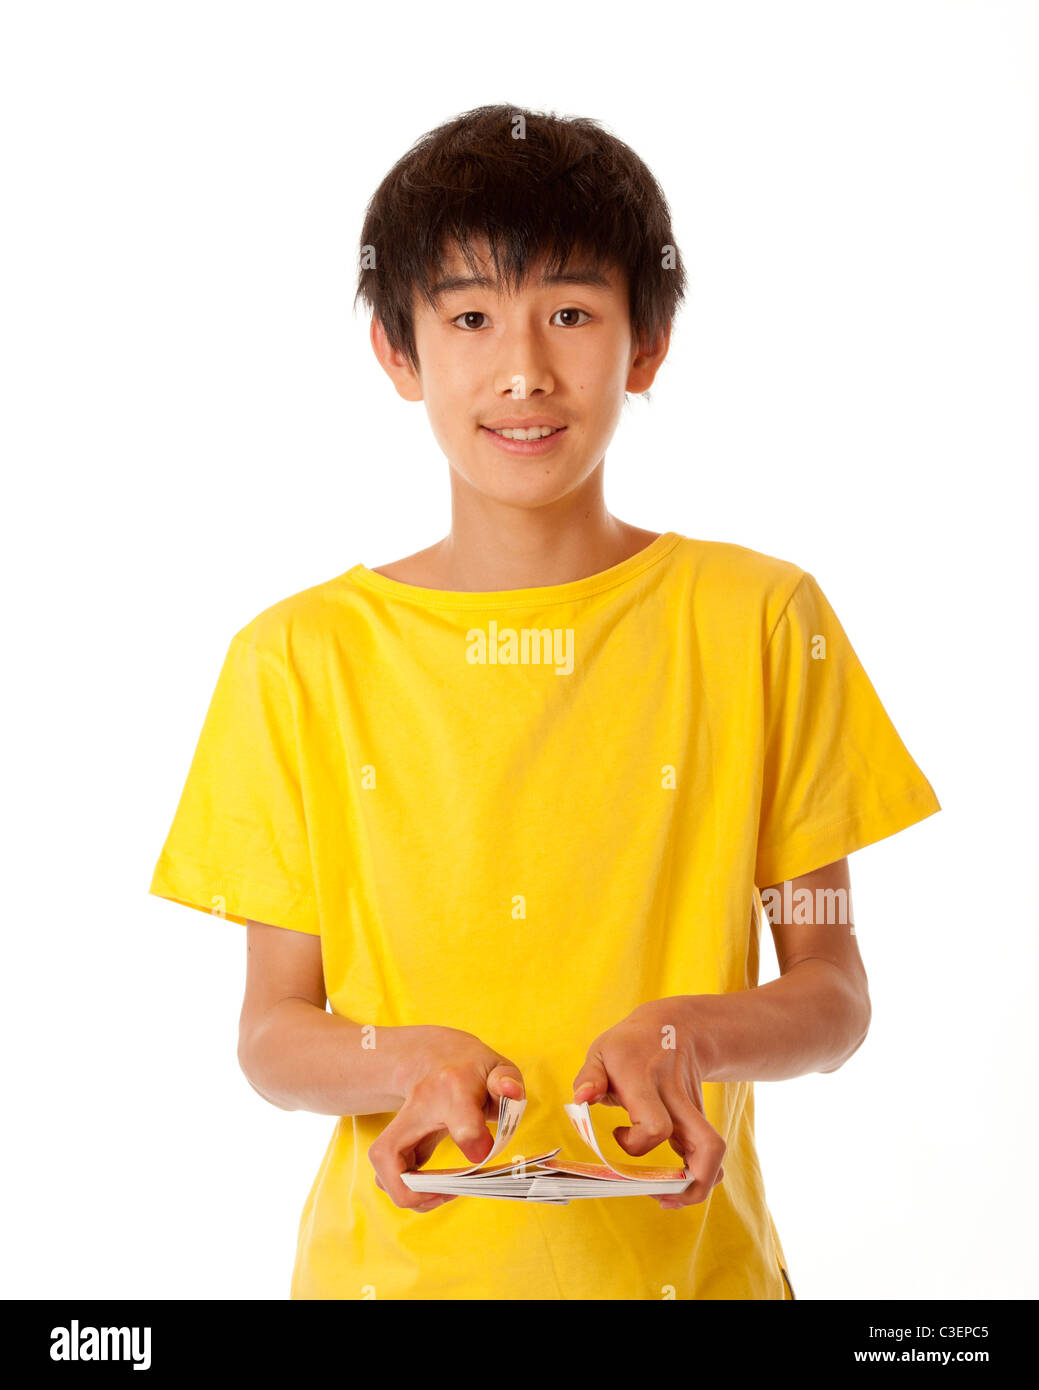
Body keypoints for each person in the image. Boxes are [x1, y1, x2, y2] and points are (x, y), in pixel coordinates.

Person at [148, 104, 940, 1300]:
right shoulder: (296, 658)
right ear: (398, 352)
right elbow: (271, 1032)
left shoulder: (763, 622)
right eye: (469, 318)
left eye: (570, 313)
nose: (523, 368)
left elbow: (832, 991)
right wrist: (396, 1055)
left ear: (645, 344)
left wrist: (694, 1033)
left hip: (695, 1278)